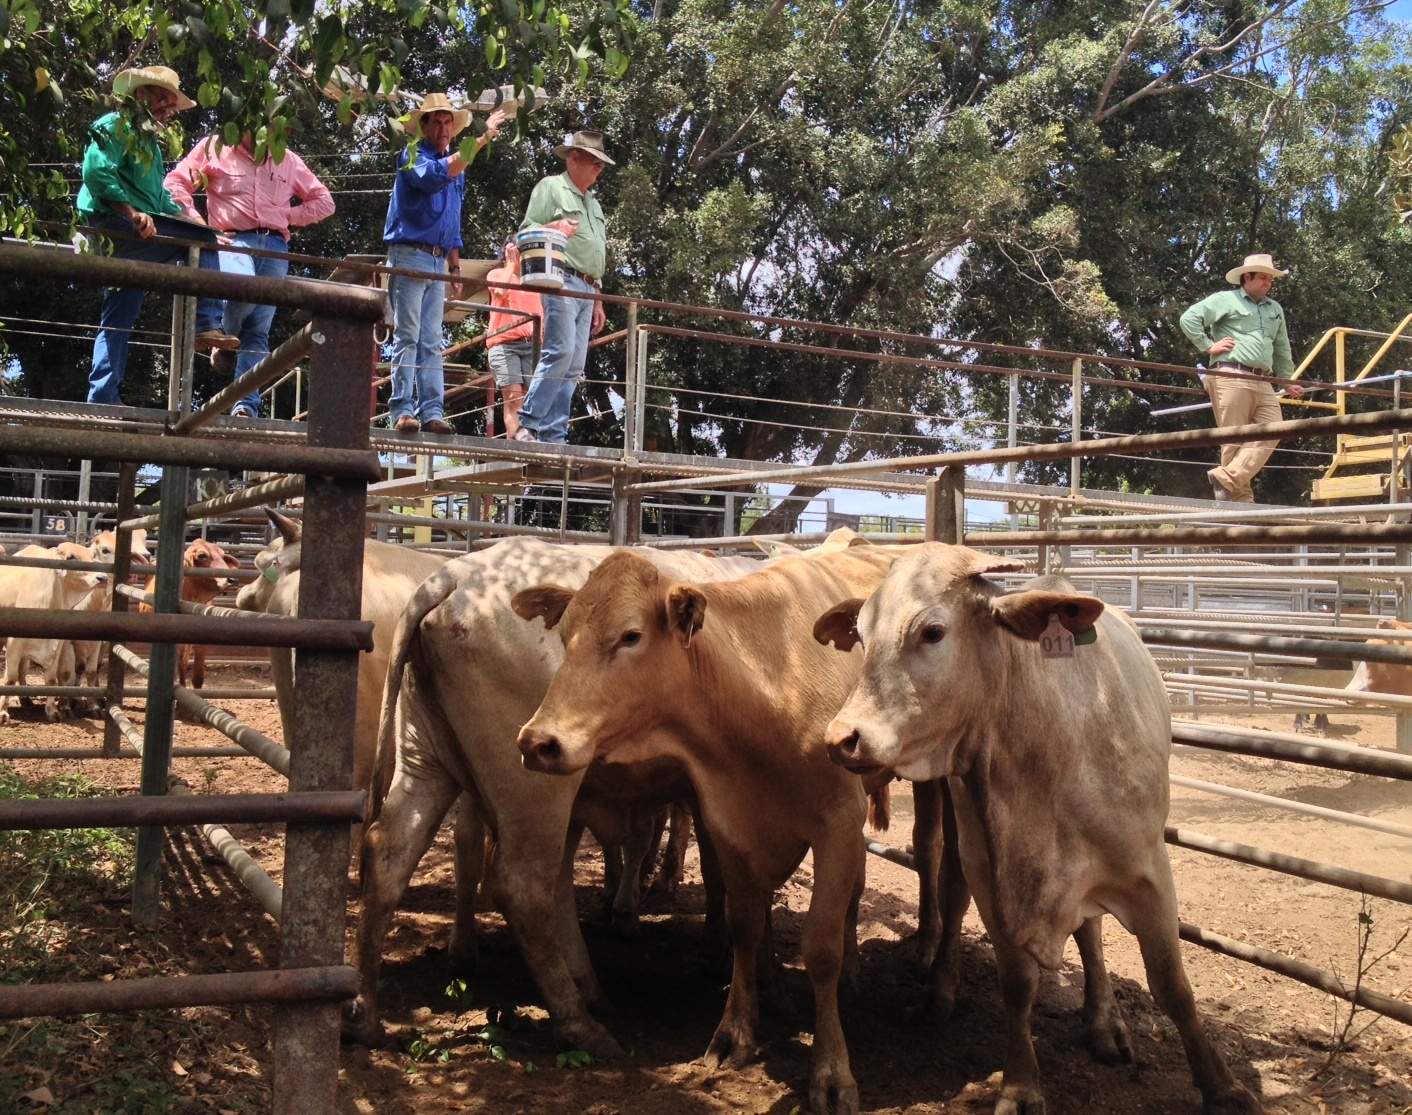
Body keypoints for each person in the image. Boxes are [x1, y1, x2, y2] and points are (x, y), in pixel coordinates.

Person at [77, 66, 237, 405]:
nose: (168, 108)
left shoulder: (151, 144)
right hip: (112, 227)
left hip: (133, 233)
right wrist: (133, 215)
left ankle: (102, 397)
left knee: (118, 317)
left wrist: (202, 230)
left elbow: (162, 200)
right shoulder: (116, 125)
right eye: (163, 99)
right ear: (141, 96)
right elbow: (96, 172)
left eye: (173, 104)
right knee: (201, 242)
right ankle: (206, 324)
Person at [165, 130, 335, 418]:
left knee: (258, 330)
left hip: (275, 247)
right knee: (244, 289)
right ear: (242, 121)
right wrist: (197, 224)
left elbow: (324, 202)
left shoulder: (288, 159)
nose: (262, 128)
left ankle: (245, 404)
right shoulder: (215, 147)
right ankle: (225, 337)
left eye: (271, 121)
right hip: (232, 240)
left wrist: (286, 216)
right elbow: (175, 182)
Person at [383, 93, 509, 434]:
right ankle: (402, 411)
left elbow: (452, 221)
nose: (442, 127)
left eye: (446, 122)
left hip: (437, 260)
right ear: (423, 127)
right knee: (408, 334)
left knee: (431, 338)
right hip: (409, 253)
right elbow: (434, 177)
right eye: (435, 121)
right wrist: (483, 139)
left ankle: (432, 412)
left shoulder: (456, 166)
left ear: (453, 128)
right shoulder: (411, 155)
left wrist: (455, 267)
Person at [512, 129, 613, 444]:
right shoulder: (551, 187)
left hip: (586, 286)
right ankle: (526, 423)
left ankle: (554, 435)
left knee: (574, 364)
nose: (599, 169)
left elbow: (595, 253)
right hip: (561, 277)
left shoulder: (593, 203)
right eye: (594, 162)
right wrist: (553, 227)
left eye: (600, 164)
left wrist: (597, 297)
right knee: (561, 351)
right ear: (573, 158)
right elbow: (524, 233)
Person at [1179, 252, 1302, 503]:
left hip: (1263, 379)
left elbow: (1282, 347)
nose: (1268, 283)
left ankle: (1227, 479)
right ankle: (1241, 502)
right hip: (1230, 373)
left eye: (1271, 279)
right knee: (1234, 440)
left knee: (1274, 428)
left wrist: (1287, 380)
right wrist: (1207, 346)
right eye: (1264, 278)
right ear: (1247, 277)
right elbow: (1189, 318)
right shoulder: (1226, 299)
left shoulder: (1275, 309)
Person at [484, 236, 543, 438]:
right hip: (504, 344)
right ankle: (517, 441)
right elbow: (500, 292)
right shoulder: (497, 273)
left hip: (532, 345)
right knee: (513, 397)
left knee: (530, 399)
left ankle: (524, 439)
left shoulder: (533, 282)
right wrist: (510, 264)